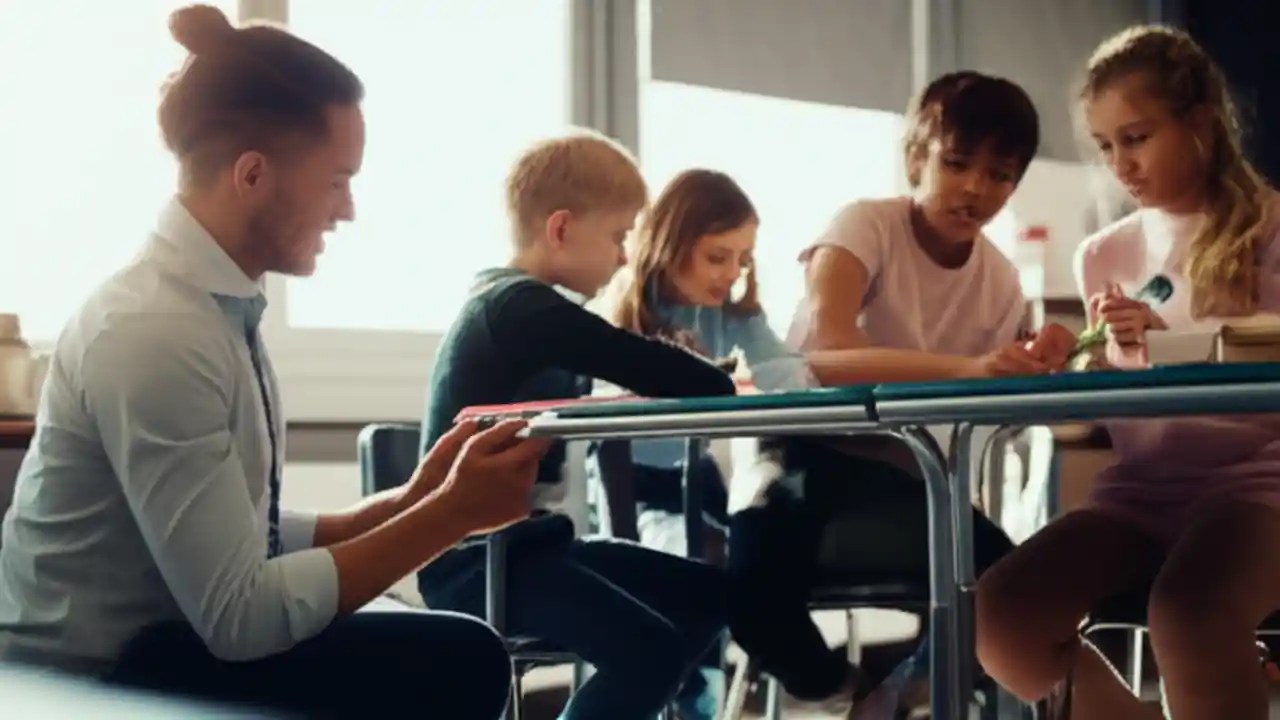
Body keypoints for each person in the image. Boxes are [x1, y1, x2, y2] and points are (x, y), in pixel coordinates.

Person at [0, 7, 548, 719]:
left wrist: (417, 498)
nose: (346, 210)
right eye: (336, 181)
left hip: (161, 641)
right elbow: (240, 619)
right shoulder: (156, 332)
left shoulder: (210, 306)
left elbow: (236, 529)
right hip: (88, 679)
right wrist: (446, 517)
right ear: (253, 175)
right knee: (460, 660)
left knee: (443, 649)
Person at [605, 162, 1068, 717]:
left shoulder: (735, 316)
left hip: (701, 482)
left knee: (747, 567)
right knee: (719, 576)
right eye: (716, 257)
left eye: (742, 259)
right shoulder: (622, 319)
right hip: (639, 489)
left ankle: (865, 687)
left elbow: (788, 373)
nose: (731, 272)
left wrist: (823, 386)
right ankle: (797, 689)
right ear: (669, 243)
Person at [730, 71, 1060, 715]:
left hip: (903, 469)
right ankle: (842, 690)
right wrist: (968, 369)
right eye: (957, 162)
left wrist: (1039, 364)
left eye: (1000, 174)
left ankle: (902, 688)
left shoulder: (1000, 282)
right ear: (916, 157)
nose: (975, 188)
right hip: (799, 446)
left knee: (1016, 590)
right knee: (752, 596)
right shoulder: (864, 225)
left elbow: (994, 398)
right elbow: (825, 356)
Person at [976, 25, 1280, 720]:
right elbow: (1099, 410)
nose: (1120, 163)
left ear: (1200, 123)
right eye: (1106, 145)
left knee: (1191, 612)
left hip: (1261, 487)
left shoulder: (1271, 227)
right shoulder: (1102, 255)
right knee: (1000, 614)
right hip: (1140, 495)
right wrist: (1058, 368)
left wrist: (1171, 343)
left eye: (1137, 138)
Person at [416, 130, 738, 720]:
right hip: (476, 563)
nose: (623, 257)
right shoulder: (519, 306)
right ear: (561, 229)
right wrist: (711, 374)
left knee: (710, 598)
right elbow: (659, 369)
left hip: (531, 547)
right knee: (650, 650)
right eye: (618, 237)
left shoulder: (518, 308)